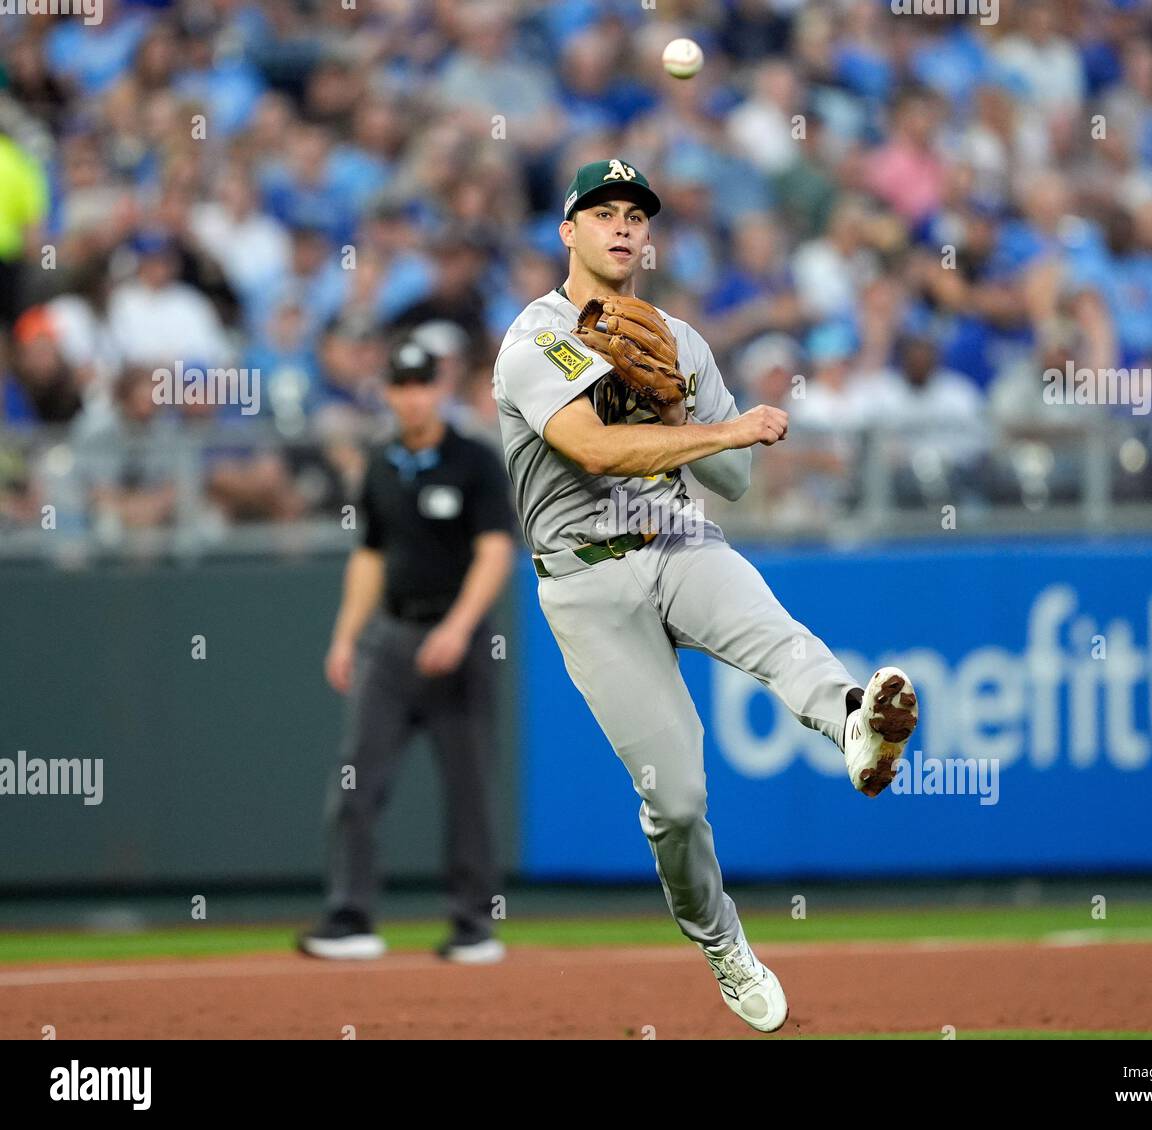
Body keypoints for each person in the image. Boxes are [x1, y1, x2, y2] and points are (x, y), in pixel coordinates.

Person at [492, 159, 919, 1033]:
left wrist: (684, 400)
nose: (622, 227)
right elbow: (597, 451)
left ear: (648, 239)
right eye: (602, 212)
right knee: (676, 797)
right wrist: (715, 423)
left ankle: (853, 719)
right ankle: (722, 941)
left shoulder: (678, 338)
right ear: (567, 233)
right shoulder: (533, 339)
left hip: (676, 536)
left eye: (635, 217)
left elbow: (728, 480)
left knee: (773, 634)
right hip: (585, 580)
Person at [298, 337, 517, 964]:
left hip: (459, 646)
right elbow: (370, 554)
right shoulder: (380, 463)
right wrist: (345, 636)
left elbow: (495, 551)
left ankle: (475, 924)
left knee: (469, 787)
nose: (413, 396)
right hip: (391, 641)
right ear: (389, 392)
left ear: (441, 389)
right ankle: (351, 917)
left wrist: (459, 625)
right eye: (402, 384)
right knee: (355, 782)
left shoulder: (474, 460)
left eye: (424, 383)